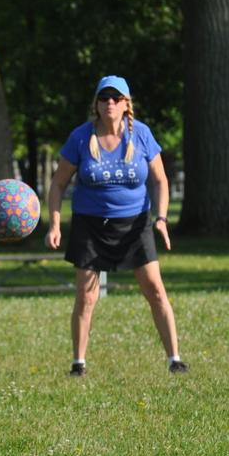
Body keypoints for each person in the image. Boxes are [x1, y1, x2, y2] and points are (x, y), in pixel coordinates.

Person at [45, 75, 186, 376]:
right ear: (96, 104)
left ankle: (175, 359)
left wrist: (161, 218)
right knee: (86, 295)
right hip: (90, 225)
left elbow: (160, 180)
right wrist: (54, 224)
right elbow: (58, 184)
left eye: (116, 98)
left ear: (126, 104)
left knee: (155, 289)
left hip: (135, 223)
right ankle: (78, 364)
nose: (110, 102)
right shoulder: (81, 137)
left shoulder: (141, 134)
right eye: (104, 97)